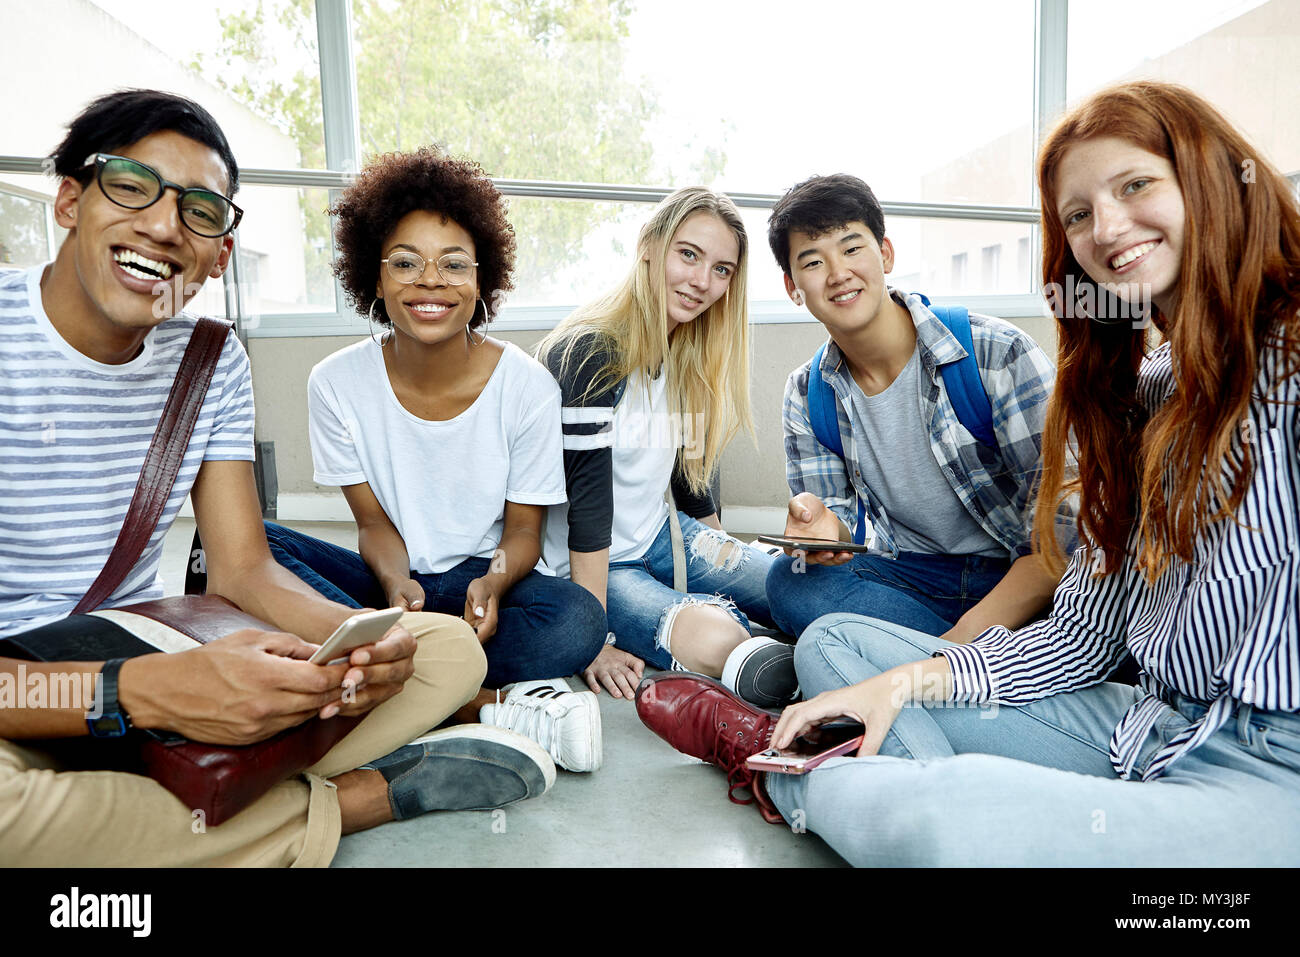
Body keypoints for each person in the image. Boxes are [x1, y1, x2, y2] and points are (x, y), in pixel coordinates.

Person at [636, 81, 1300, 865]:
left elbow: (1054, 557)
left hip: (1241, 744)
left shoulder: (994, 353)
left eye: (1135, 185)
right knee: (825, 630)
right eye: (1078, 214)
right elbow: (1087, 628)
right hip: (1143, 721)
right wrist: (884, 639)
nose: (1107, 228)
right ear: (794, 286)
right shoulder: (1139, 385)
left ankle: (797, 771)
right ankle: (899, 772)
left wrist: (940, 661)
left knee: (959, 816)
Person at [0, 91, 554, 868]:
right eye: (131, 186)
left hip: (155, 647)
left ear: (219, 254)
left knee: (444, 650)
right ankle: (347, 801)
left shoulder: (211, 358)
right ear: (67, 199)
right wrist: (143, 692)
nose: (163, 227)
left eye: (199, 212)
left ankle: (173, 811)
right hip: (32, 694)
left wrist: (352, 644)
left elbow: (242, 570)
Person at [263, 148, 607, 772]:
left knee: (578, 620)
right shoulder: (335, 383)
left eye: (453, 265)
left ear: (482, 281)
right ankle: (466, 700)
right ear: (374, 277)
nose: (430, 281)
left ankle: (379, 682)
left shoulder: (527, 387)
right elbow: (372, 524)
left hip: (481, 586)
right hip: (387, 594)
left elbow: (524, 531)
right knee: (239, 549)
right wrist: (395, 584)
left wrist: (495, 582)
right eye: (405, 263)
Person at [762, 174, 1064, 646]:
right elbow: (836, 527)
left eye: (851, 248)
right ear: (793, 287)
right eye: (814, 261)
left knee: (1085, 593)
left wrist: (965, 637)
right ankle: (973, 671)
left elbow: (1064, 534)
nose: (838, 273)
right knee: (790, 580)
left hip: (1019, 575)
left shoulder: (995, 352)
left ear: (885, 253)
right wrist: (821, 528)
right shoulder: (806, 392)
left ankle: (923, 664)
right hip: (915, 580)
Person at [536, 188, 791, 708]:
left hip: (659, 537)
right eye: (689, 254)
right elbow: (587, 509)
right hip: (590, 566)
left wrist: (729, 559)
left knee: (793, 586)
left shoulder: (685, 349)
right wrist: (591, 638)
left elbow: (690, 477)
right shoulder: (589, 351)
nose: (702, 282)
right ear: (649, 246)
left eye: (722, 270)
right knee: (722, 642)